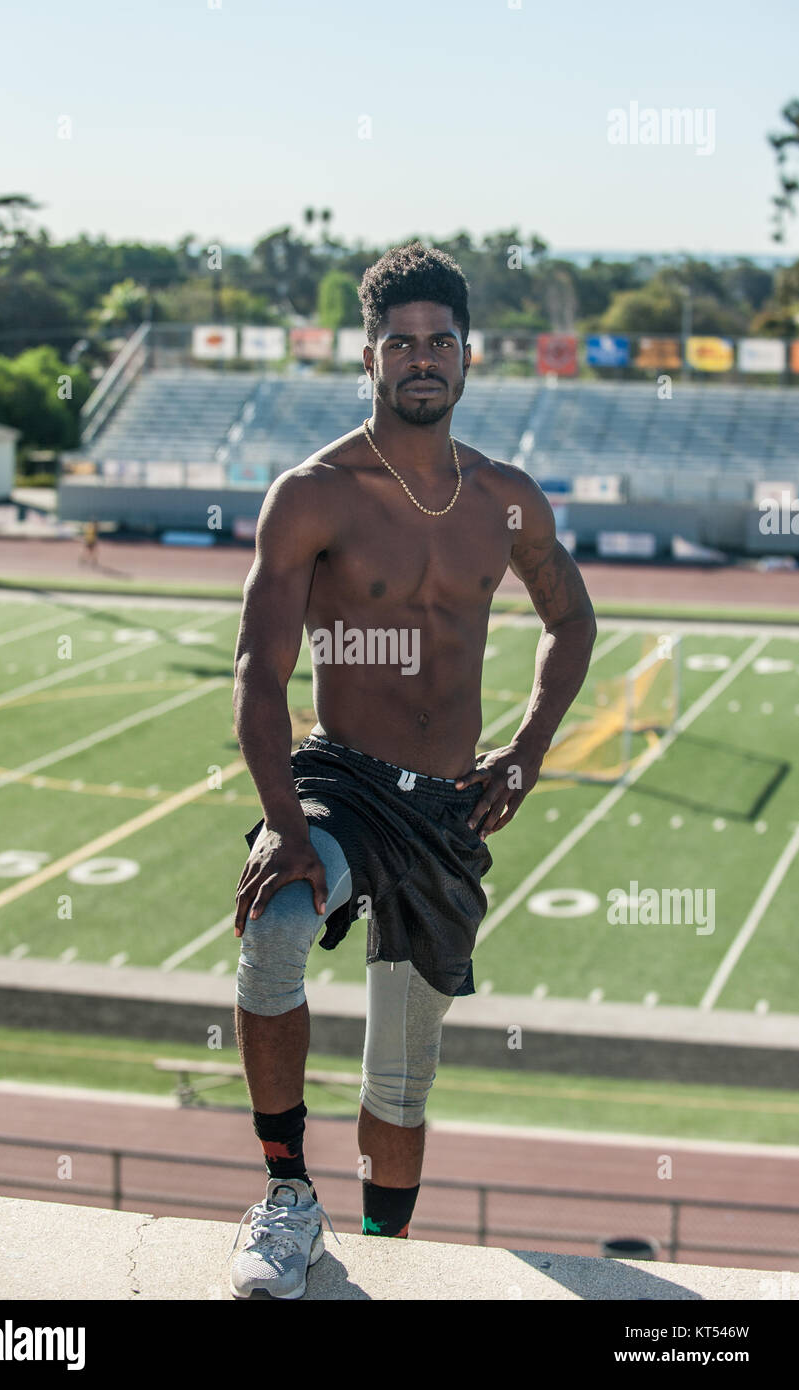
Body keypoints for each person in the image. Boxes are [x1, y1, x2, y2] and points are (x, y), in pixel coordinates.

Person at [228, 241, 597, 1299]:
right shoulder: (314, 493)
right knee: (279, 922)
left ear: (468, 356)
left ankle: (382, 1258)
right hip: (340, 782)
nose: (421, 358)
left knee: (401, 1089)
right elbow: (257, 675)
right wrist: (284, 825)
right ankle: (287, 1192)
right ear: (369, 354)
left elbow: (569, 620)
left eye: (439, 342)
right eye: (401, 343)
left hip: (446, 813)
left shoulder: (506, 497)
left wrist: (525, 753)